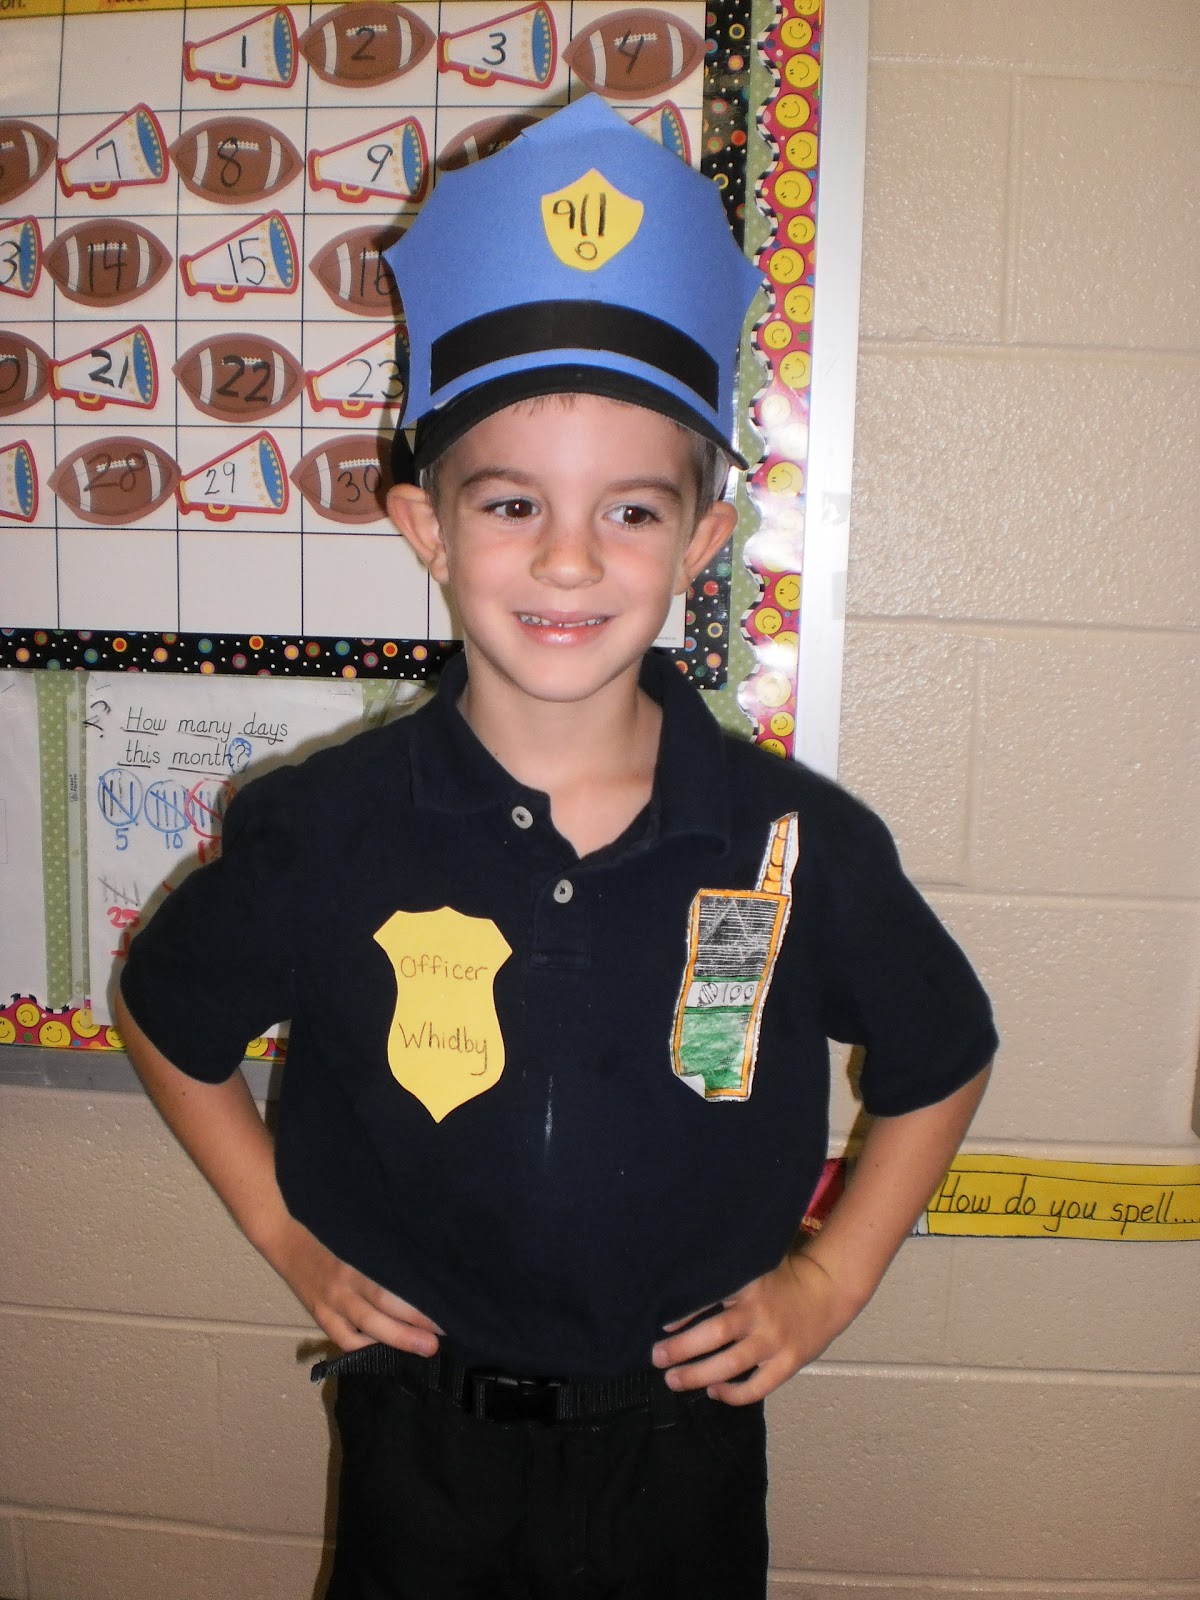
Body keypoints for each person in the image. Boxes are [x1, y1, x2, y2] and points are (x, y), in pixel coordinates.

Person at [116, 96, 997, 1598]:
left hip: (684, 1446)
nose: (571, 560)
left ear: (701, 546)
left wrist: (831, 1281)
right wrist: (284, 1233)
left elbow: (945, 1050)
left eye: (632, 511)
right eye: (511, 503)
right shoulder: (326, 829)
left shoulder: (795, 843)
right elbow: (166, 1013)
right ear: (427, 529)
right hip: (422, 1444)